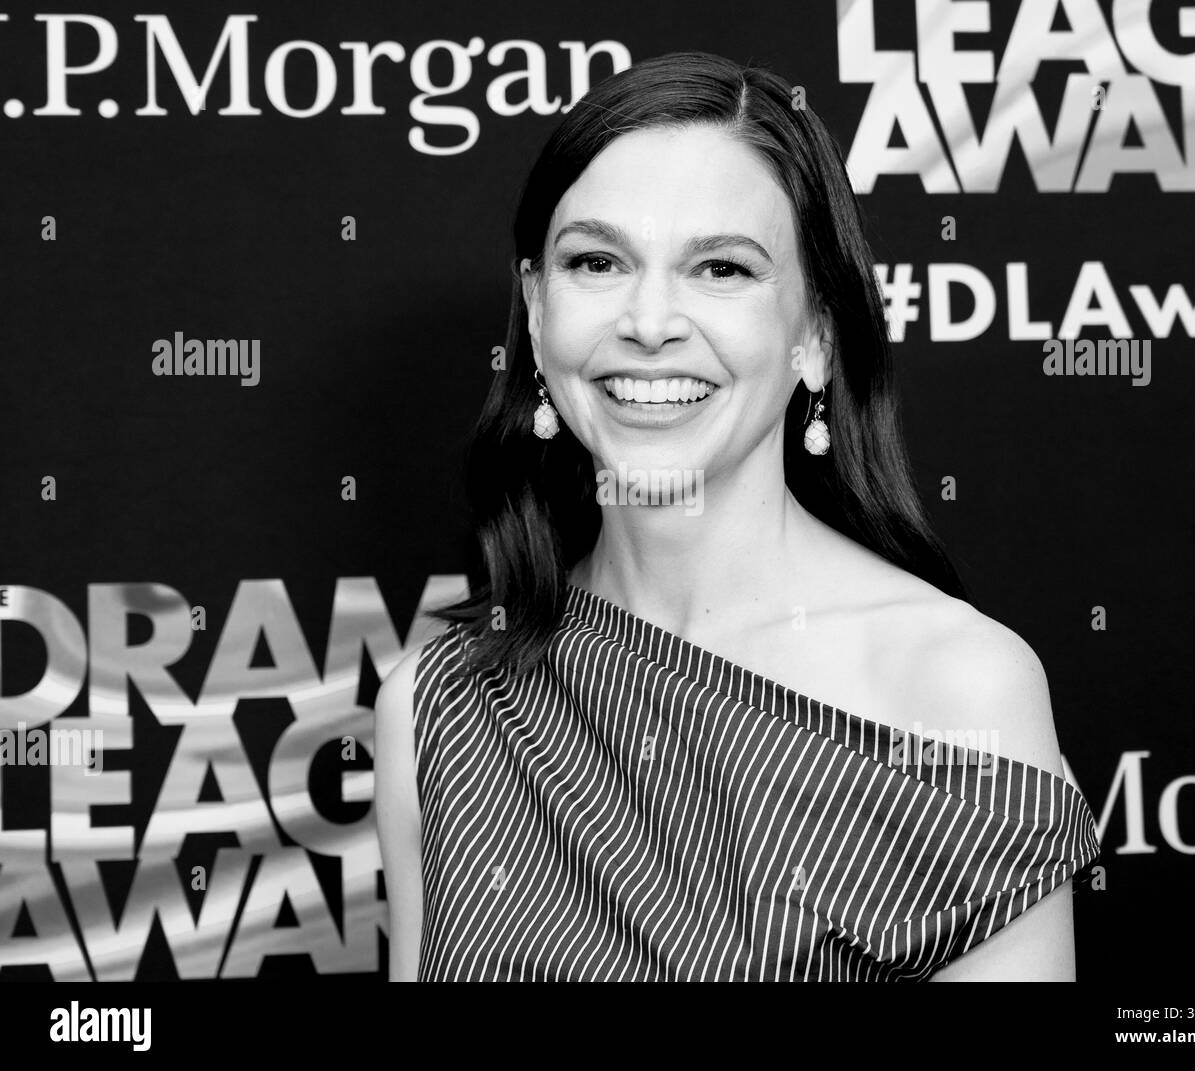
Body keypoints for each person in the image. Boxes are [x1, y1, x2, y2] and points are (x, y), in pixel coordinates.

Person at [375, 50, 1100, 982]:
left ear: (817, 335)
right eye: (596, 261)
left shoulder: (956, 686)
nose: (648, 320)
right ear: (536, 305)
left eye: (720, 268)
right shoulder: (439, 705)